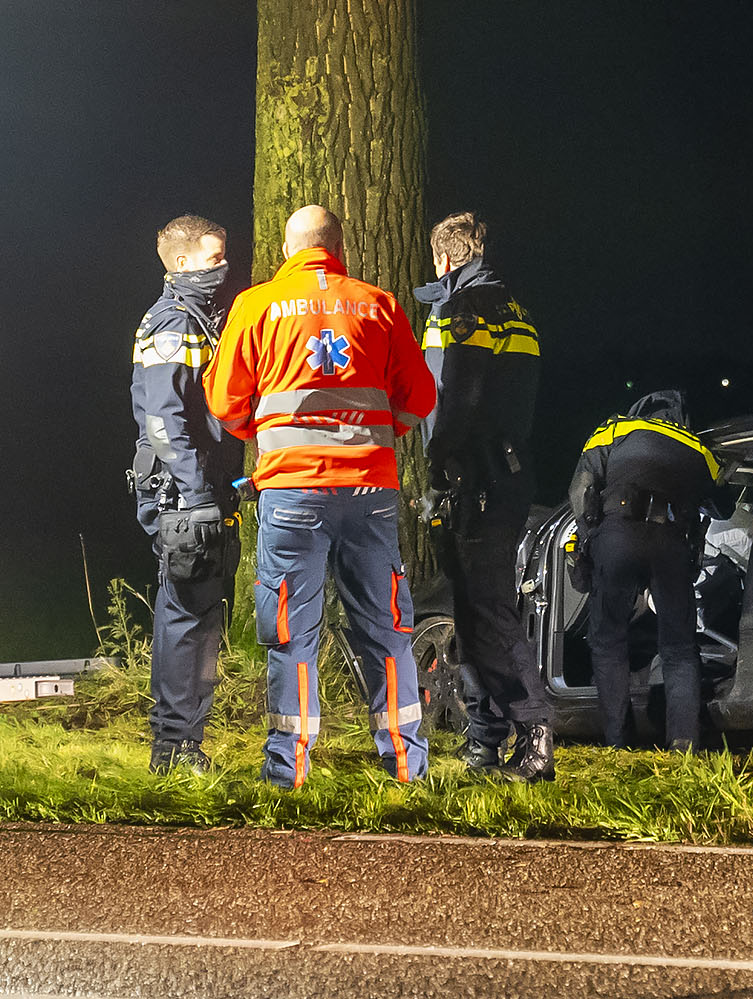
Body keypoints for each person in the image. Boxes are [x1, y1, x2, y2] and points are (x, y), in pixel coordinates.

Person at [205, 205, 438, 787]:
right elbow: (418, 398)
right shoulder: (378, 304)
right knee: (386, 628)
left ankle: (289, 771)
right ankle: (406, 765)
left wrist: (271, 436)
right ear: (339, 246)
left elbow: (224, 404)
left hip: (292, 493)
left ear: (289, 248)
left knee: (290, 630)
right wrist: (376, 436)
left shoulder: (256, 305)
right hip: (370, 491)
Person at [413, 212, 553, 781]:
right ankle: (485, 740)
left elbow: (458, 395)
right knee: (470, 612)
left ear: (446, 259)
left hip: (474, 479)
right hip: (507, 472)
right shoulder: (515, 309)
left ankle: (535, 730)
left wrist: (438, 463)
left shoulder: (461, 310)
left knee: (487, 611)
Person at [129, 214, 244, 773]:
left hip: (206, 489)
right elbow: (164, 422)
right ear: (181, 263)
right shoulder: (173, 322)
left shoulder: (207, 319)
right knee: (185, 615)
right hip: (180, 494)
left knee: (203, 616)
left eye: (224, 256)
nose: (223, 266)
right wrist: (198, 495)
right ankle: (171, 748)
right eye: (212, 257)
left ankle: (186, 742)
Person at [568, 390, 720, 750]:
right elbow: (723, 506)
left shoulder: (614, 430)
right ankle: (683, 743)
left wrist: (588, 543)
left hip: (618, 535)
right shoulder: (698, 447)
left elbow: (582, 490)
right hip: (672, 542)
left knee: (608, 643)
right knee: (680, 648)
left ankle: (618, 742)